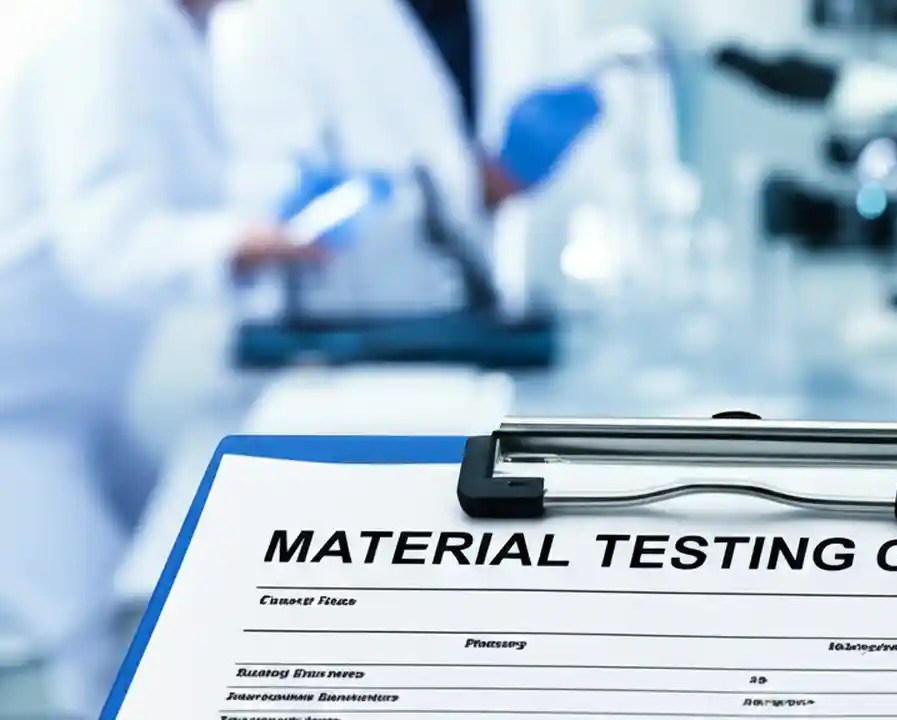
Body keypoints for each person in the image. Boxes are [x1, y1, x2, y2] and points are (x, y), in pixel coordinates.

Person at [0, 0, 321, 714]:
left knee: (189, 569)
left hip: (74, 396)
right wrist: (240, 244)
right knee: (98, 630)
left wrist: (262, 221)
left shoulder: (170, 35)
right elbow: (105, 242)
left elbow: (170, 189)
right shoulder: (107, 33)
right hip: (13, 409)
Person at [209, 0, 605, 314]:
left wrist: (495, 182)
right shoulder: (272, 18)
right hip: (346, 344)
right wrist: (476, 185)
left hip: (473, 323)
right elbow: (271, 213)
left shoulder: (500, 12)